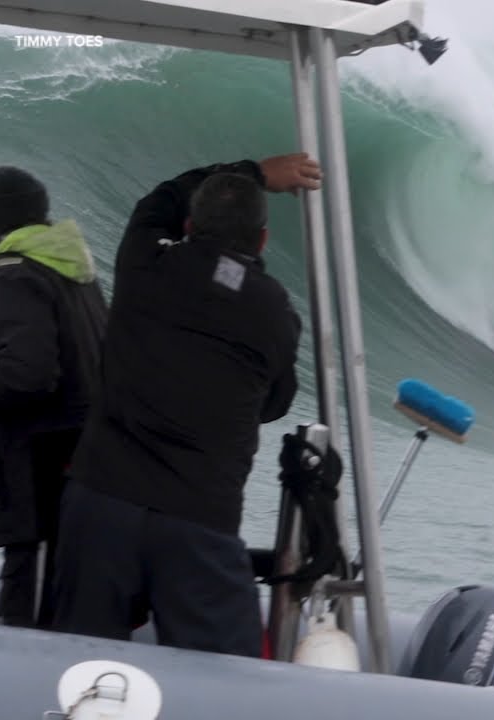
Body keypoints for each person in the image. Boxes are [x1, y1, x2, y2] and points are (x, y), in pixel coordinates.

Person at [51, 154, 318, 657]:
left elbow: (160, 200)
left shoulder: (144, 260)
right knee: (225, 687)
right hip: (198, 519)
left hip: (103, 500)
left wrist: (256, 172)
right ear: (261, 241)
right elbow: (276, 403)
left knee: (79, 668)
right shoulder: (274, 311)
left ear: (190, 226)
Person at [0, 166, 108, 627]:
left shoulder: (12, 275)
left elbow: (26, 372)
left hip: (36, 470)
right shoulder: (71, 266)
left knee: (32, 608)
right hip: (80, 462)